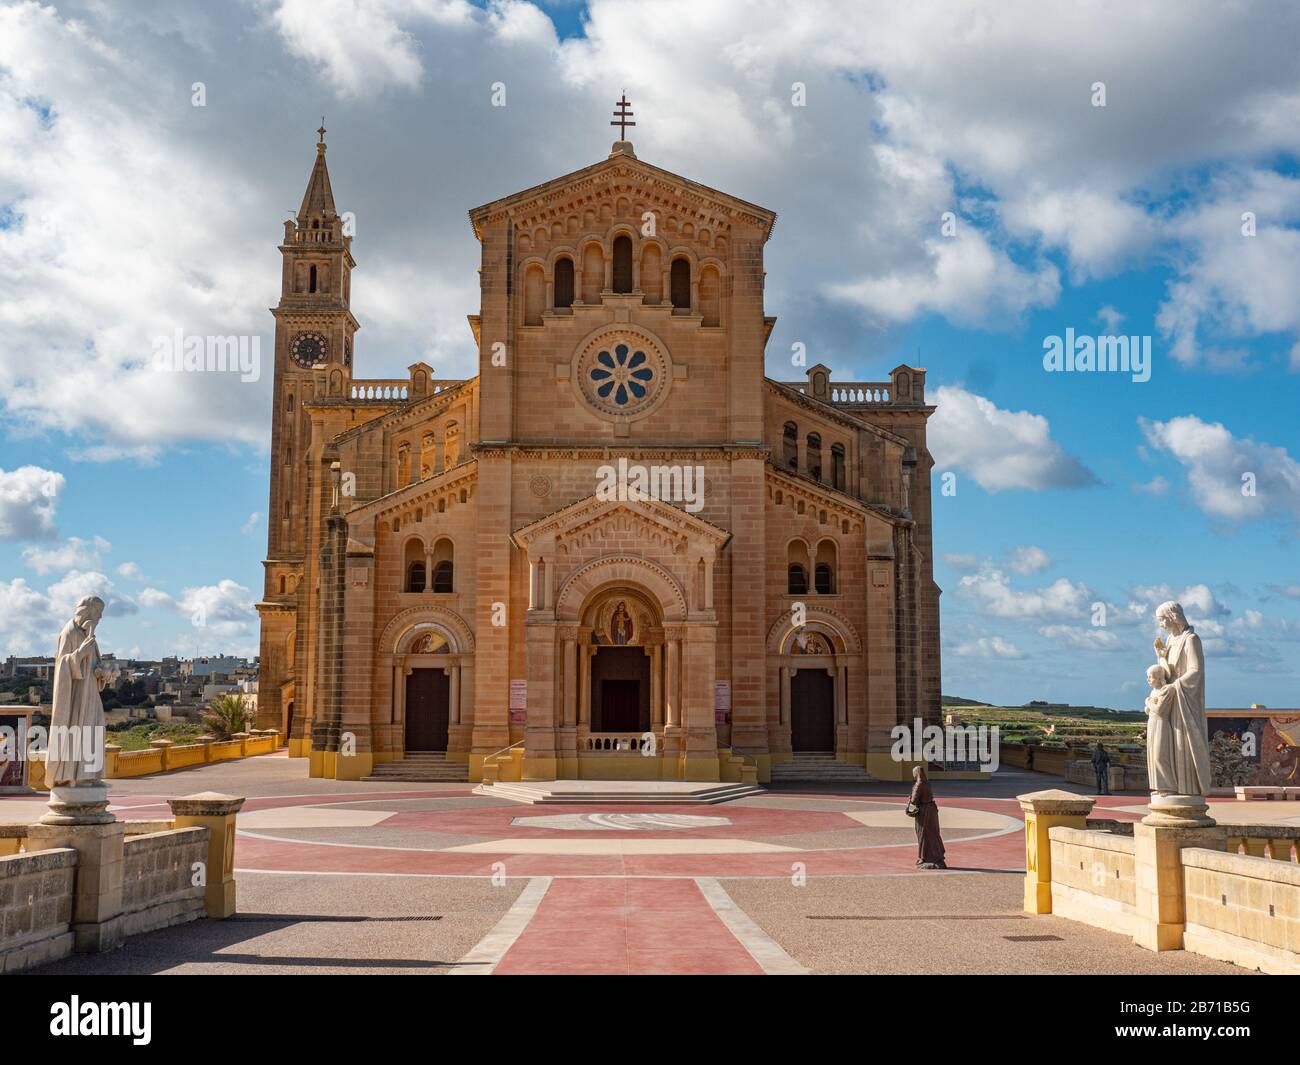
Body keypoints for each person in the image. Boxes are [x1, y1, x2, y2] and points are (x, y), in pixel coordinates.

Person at [907, 765, 946, 869]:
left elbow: (914, 800)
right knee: (933, 833)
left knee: (923, 834)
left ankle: (924, 857)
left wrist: (910, 799)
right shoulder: (927, 784)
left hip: (924, 812)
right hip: (932, 810)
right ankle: (937, 856)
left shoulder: (918, 784)